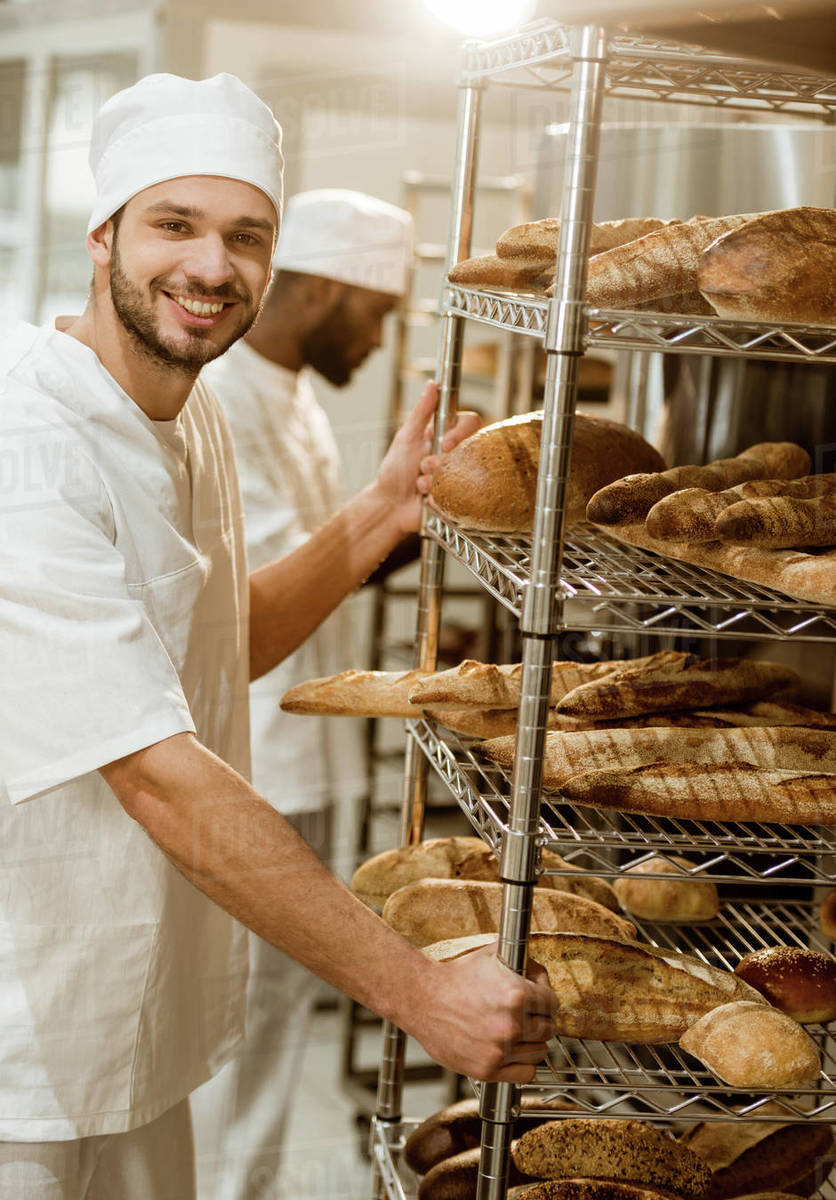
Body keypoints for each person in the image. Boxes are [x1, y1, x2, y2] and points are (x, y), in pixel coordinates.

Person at [0, 72, 557, 1199]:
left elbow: (220, 644)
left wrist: (378, 512)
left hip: (130, 1024)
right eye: (174, 225)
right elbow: (156, 774)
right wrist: (414, 991)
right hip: (23, 1040)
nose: (211, 266)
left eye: (244, 235)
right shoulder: (28, 439)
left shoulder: (185, 407)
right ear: (103, 232)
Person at [190, 190, 414, 1198]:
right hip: (250, 768)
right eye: (374, 313)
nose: (376, 341)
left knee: (269, 1024)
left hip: (304, 762)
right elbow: (276, 586)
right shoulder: (215, 397)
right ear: (323, 289)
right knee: (231, 1030)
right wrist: (400, 516)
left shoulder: (297, 398)